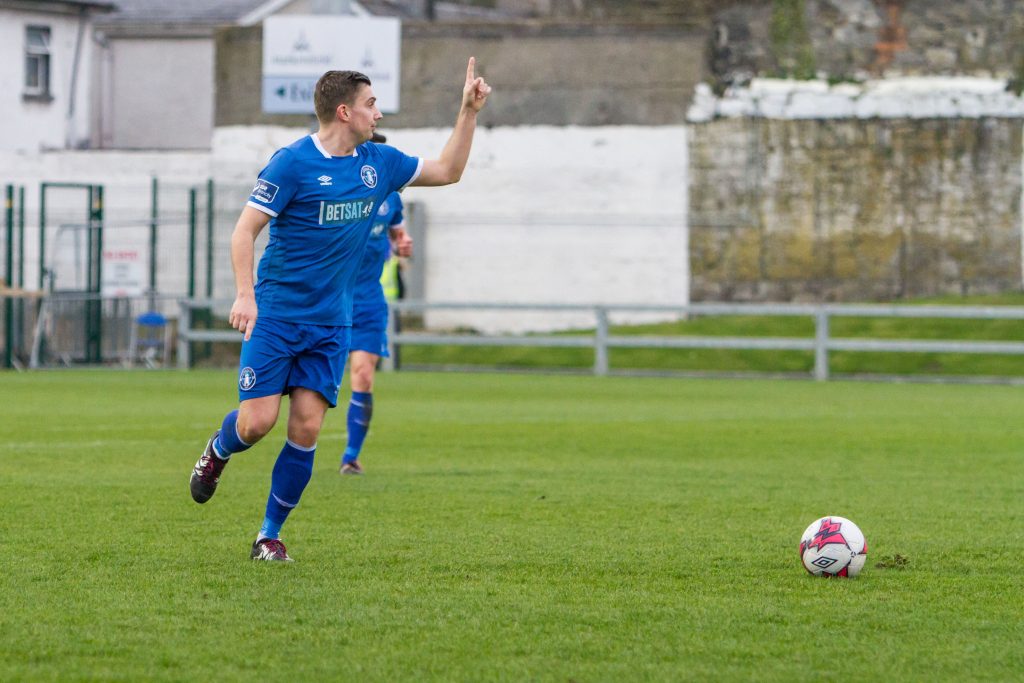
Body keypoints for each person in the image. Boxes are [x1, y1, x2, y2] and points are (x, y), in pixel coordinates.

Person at [189, 58, 491, 561]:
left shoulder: (379, 164)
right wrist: (245, 294)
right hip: (277, 317)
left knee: (306, 428)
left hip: (331, 323)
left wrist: (468, 112)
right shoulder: (292, 163)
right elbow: (244, 231)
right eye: (372, 104)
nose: (379, 113)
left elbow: (448, 171)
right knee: (255, 424)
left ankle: (268, 535)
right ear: (345, 111)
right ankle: (217, 452)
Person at [339, 186, 410, 475]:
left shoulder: (391, 198)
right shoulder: (339, 188)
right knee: (310, 382)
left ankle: (351, 456)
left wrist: (403, 244)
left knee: (364, 374)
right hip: (328, 298)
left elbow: (399, 236)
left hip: (368, 301)